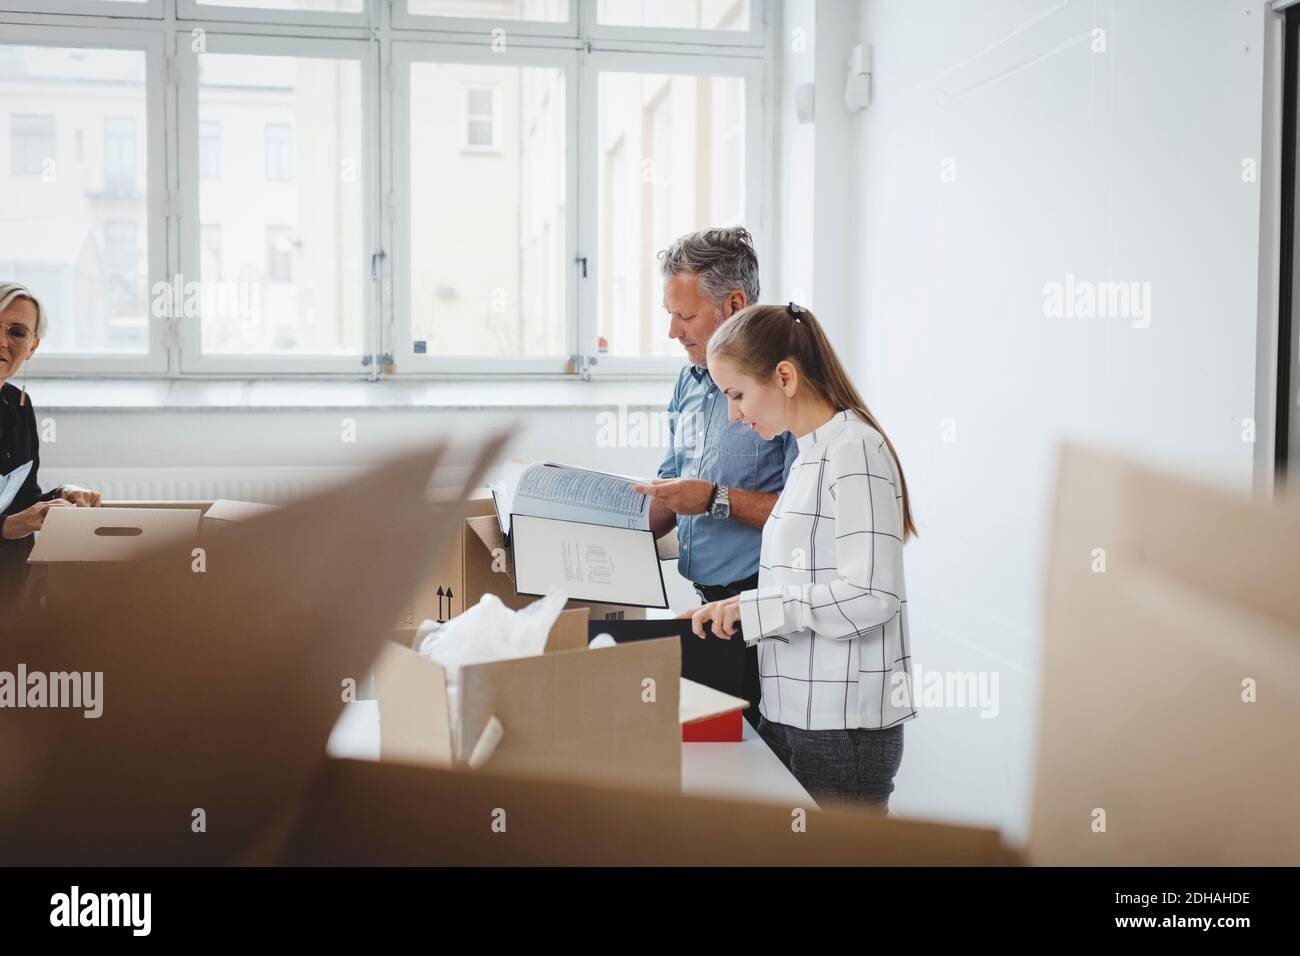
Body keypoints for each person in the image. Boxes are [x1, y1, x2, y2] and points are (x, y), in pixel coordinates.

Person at [688, 302, 918, 814]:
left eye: (738, 394)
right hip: (793, 713)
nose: (735, 414)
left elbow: (872, 595)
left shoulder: (854, 449)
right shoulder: (809, 453)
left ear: (785, 377)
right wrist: (730, 608)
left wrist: (757, 610)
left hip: (841, 730)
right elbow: (801, 581)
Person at [631, 228, 798, 729]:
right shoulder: (688, 380)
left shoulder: (782, 386)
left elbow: (808, 517)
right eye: (669, 316)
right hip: (707, 611)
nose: (673, 333)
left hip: (766, 609)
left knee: (770, 768)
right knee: (718, 763)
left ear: (734, 304)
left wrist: (713, 500)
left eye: (685, 317)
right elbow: (671, 485)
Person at [0, 282, 102, 605]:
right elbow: (12, 520)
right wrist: (7, 527)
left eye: (17, 332)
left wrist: (59, 496)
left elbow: (20, 500)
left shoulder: (19, 405)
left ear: (33, 346)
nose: (2, 341)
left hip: (13, 587)